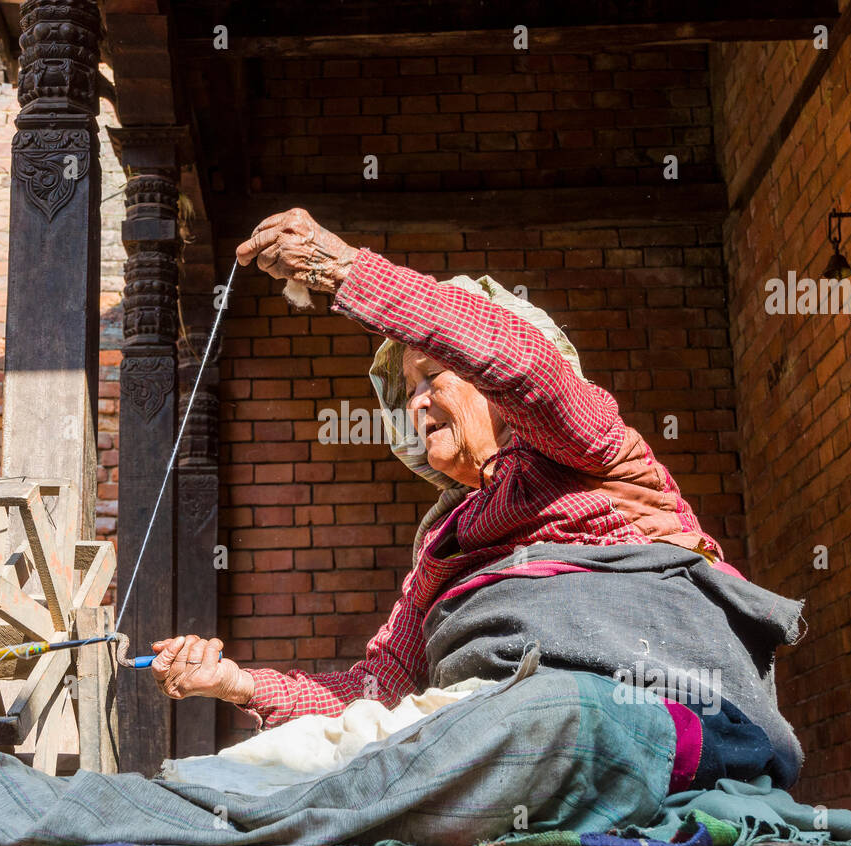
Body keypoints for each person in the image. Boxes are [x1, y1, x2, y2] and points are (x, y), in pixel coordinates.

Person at [145, 209, 776, 744]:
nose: (416, 403)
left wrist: (342, 272)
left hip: (645, 708)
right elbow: (380, 691)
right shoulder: (447, 539)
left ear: (491, 387)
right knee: (273, 775)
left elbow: (523, 366)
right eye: (407, 390)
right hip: (496, 728)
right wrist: (235, 683)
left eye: (434, 376)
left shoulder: (590, 445)